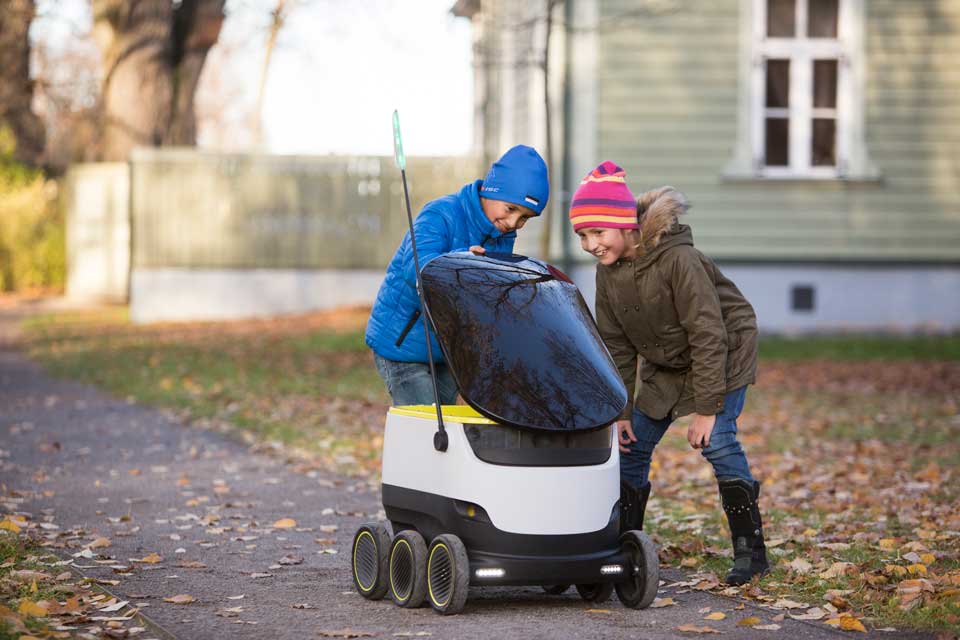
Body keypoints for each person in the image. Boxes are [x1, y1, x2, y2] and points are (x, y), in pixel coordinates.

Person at [568, 160, 768, 586]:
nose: (590, 245)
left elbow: (708, 331)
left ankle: (752, 551)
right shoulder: (608, 274)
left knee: (718, 442)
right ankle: (621, 547)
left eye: (597, 232)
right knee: (632, 447)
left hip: (721, 351)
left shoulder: (680, 260)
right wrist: (620, 411)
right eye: (582, 235)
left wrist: (708, 408)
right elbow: (616, 346)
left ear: (625, 226)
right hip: (666, 361)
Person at [365, 145, 549, 407]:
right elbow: (416, 268)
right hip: (402, 343)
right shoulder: (440, 214)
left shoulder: (503, 235)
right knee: (426, 421)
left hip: (447, 349)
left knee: (460, 416)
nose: (513, 223)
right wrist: (463, 262)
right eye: (510, 209)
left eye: (524, 218)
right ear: (491, 190)